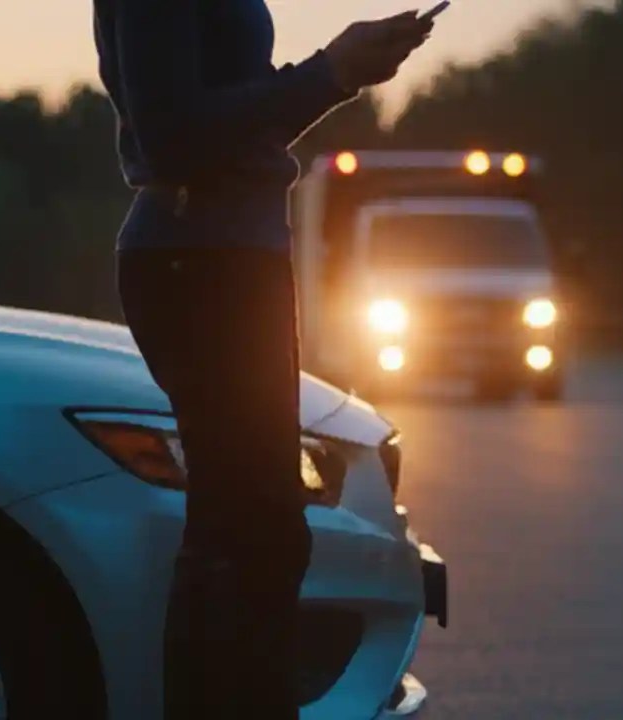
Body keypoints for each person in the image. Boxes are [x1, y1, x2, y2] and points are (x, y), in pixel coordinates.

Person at [92, 1, 432, 717]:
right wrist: (329, 71)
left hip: (231, 256)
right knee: (248, 529)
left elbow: (234, 120)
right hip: (201, 259)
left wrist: (339, 77)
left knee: (257, 529)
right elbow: (173, 135)